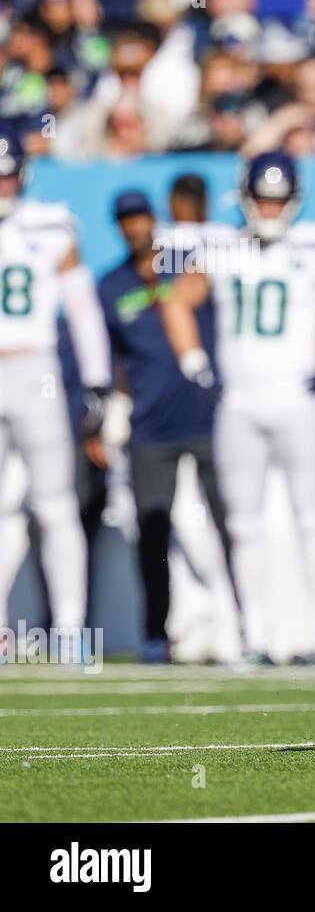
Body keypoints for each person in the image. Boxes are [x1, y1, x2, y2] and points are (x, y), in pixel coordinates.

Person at [162, 151, 315, 665]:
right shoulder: (224, 251)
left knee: (309, 518)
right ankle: (253, 636)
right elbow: (175, 300)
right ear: (245, 196)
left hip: (294, 400)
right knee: (244, 523)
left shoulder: (313, 249)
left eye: (278, 199)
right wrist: (194, 362)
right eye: (262, 197)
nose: (270, 208)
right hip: (238, 401)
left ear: (294, 201)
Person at [97, 190, 233, 664]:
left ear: (154, 220)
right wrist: (107, 418)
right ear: (118, 227)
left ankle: (239, 627)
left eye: (140, 217)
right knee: (153, 531)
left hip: (206, 415)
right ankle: (157, 634)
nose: (134, 227)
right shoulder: (110, 286)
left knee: (228, 524)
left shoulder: (191, 266)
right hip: (150, 426)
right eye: (125, 220)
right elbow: (109, 358)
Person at [0, 129, 110, 662]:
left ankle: (70, 630)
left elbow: (83, 307)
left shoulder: (51, 225)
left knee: (55, 504)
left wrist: (95, 381)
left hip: (33, 366)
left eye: (6, 176)